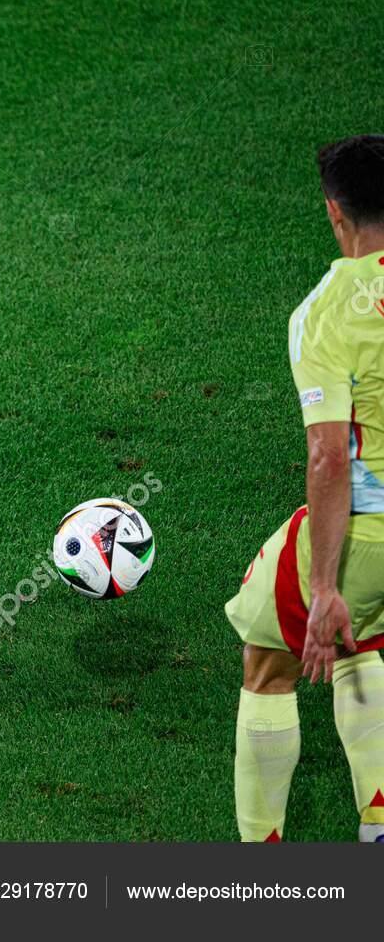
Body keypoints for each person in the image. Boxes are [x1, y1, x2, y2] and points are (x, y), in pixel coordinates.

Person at [226, 134, 384, 841]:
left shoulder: (327, 310)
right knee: (366, 641)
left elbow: (327, 459)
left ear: (333, 213)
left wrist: (324, 584)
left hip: (371, 529)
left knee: (268, 657)